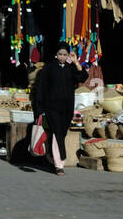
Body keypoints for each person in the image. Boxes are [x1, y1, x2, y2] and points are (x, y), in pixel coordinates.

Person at [31, 43, 85, 174]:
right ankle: (59, 164)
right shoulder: (48, 68)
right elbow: (41, 89)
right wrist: (39, 108)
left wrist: (76, 62)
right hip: (52, 107)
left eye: (65, 54)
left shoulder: (71, 68)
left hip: (67, 108)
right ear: (56, 54)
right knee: (57, 133)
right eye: (60, 54)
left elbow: (82, 77)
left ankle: (50, 156)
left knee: (62, 133)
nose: (62, 57)